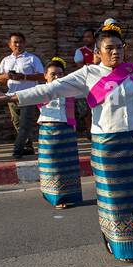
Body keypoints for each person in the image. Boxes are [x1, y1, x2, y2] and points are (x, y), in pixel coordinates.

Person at [0, 26, 133, 261]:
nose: (116, 52)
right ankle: (117, 243)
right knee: (114, 197)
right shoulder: (88, 74)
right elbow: (52, 89)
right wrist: (8, 97)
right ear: (98, 51)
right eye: (110, 48)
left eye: (120, 47)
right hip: (107, 144)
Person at [35, 57, 83, 208]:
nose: (57, 77)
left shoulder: (69, 90)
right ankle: (56, 198)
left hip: (66, 129)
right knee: (53, 165)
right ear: (45, 76)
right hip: (48, 130)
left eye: (60, 74)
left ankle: (69, 196)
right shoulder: (40, 91)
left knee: (68, 165)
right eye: (53, 74)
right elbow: (21, 97)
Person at [0, 32, 45, 158]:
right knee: (17, 122)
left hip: (28, 95)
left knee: (25, 123)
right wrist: (7, 76)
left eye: (20, 42)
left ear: (24, 43)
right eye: (15, 42)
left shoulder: (32, 58)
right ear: (10, 45)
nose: (18, 44)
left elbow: (42, 76)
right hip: (11, 96)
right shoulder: (6, 60)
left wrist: (23, 77)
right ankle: (28, 146)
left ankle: (17, 150)